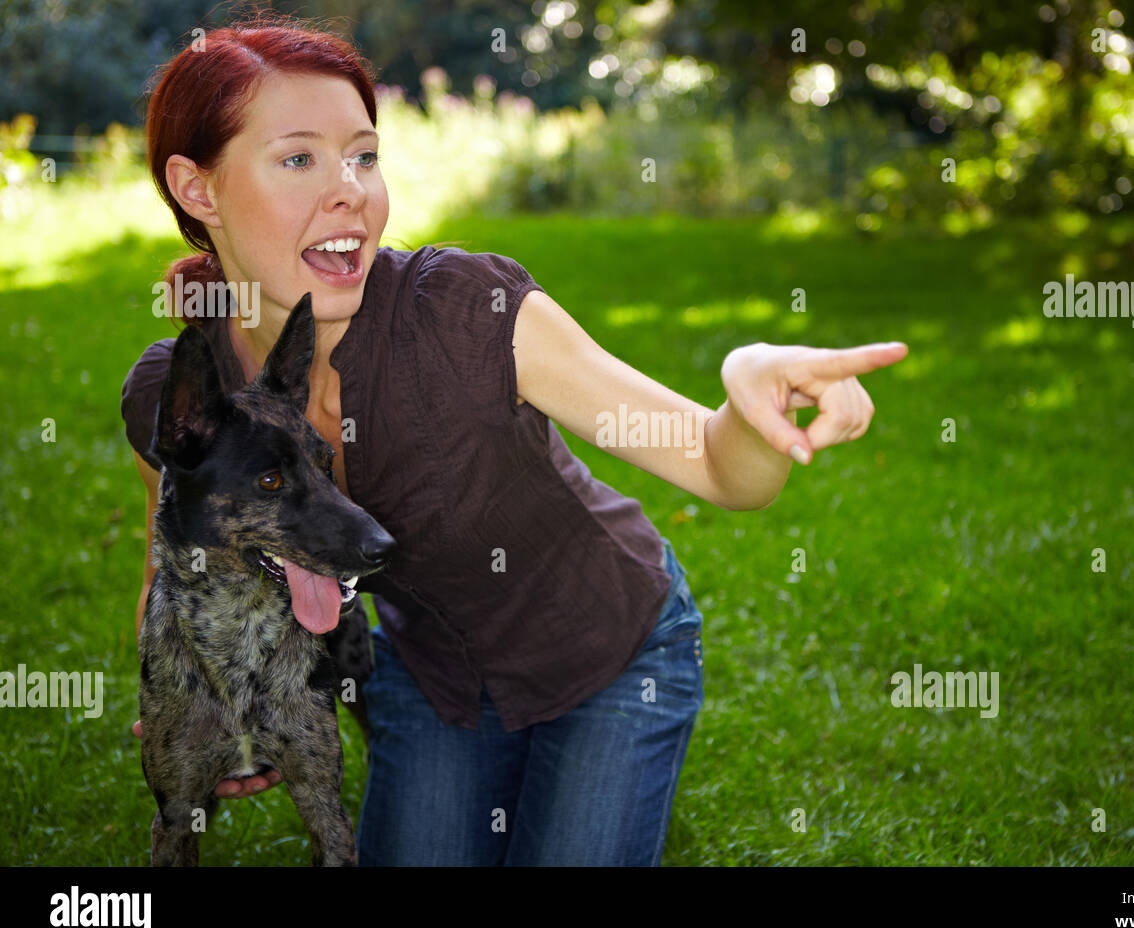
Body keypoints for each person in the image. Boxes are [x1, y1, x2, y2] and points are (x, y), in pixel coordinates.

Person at [122, 16, 907, 866]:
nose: (349, 189)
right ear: (198, 190)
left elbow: (721, 468)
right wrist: (195, 699)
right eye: (299, 158)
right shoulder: (182, 398)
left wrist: (752, 396)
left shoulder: (469, 311)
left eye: (364, 155)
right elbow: (179, 556)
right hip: (437, 680)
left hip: (609, 654)